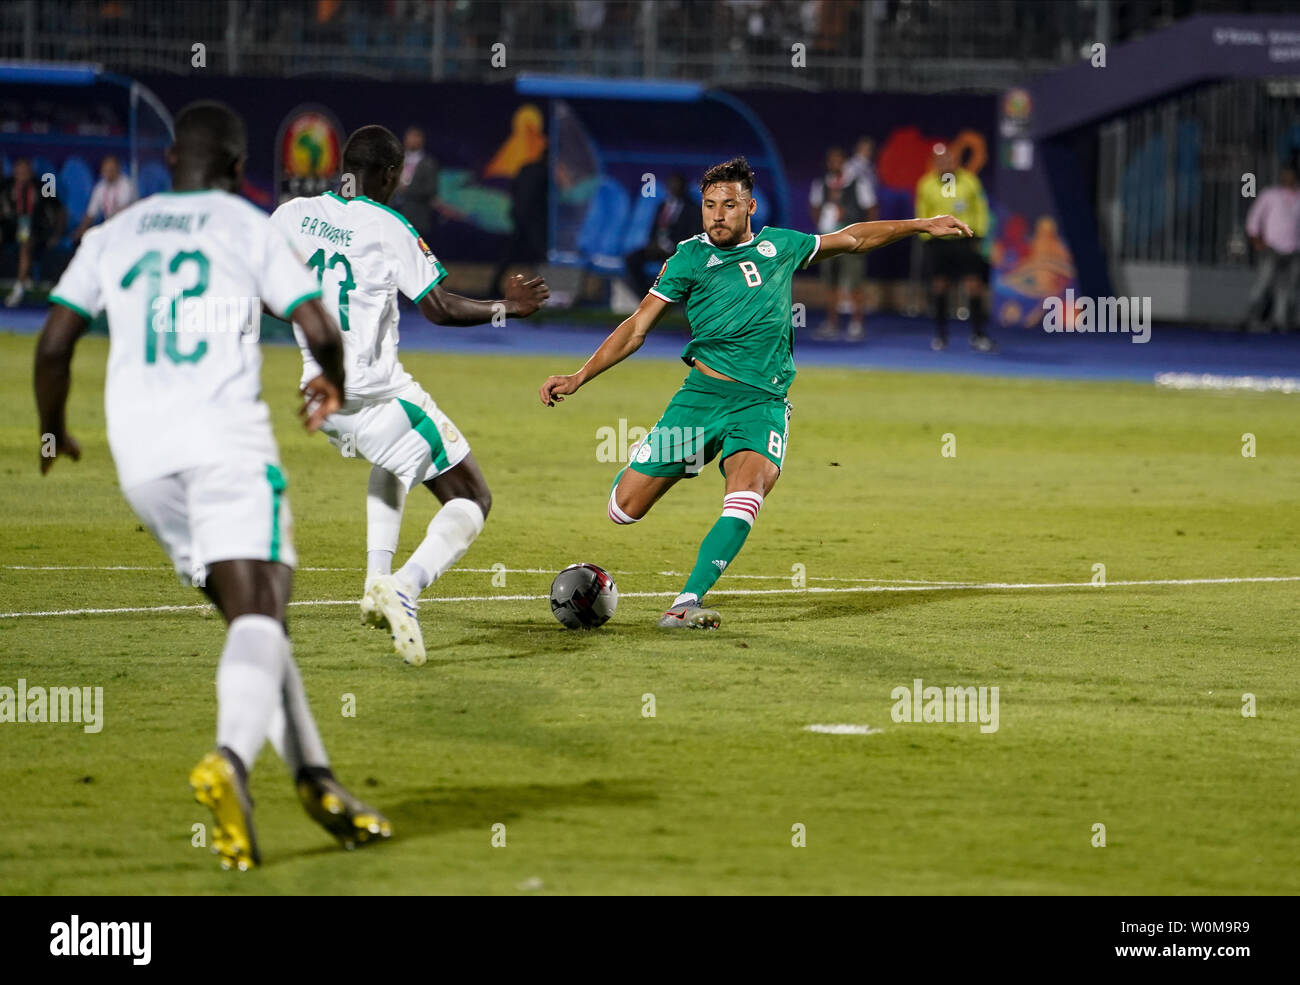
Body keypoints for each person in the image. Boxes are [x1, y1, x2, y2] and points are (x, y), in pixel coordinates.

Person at [34, 100, 390, 871]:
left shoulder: (112, 231)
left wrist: (53, 429)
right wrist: (327, 383)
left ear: (167, 161)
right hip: (223, 446)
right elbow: (321, 327)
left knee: (252, 616)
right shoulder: (245, 224)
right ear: (236, 170)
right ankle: (230, 759)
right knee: (263, 607)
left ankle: (316, 780)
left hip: (142, 461)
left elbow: (56, 338)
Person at [538, 156, 971, 629]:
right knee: (623, 509)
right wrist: (579, 377)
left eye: (728, 205)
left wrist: (921, 224)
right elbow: (637, 327)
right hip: (700, 398)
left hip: (761, 405)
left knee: (747, 492)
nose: (717, 214)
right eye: (709, 205)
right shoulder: (688, 257)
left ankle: (684, 603)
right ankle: (676, 458)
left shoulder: (781, 246)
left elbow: (854, 237)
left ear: (750, 208)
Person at [270, 124, 549, 666]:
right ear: (394, 174)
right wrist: (508, 308)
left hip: (321, 399)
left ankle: (376, 580)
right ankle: (405, 586)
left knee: (394, 459)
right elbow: (438, 307)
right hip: (377, 393)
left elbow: (267, 293)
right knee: (473, 497)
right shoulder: (390, 226)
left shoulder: (291, 216)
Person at [915, 142, 994, 352]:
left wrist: (979, 234)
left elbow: (981, 209)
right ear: (934, 163)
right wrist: (928, 238)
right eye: (940, 160)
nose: (945, 163)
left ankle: (978, 335)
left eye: (948, 159)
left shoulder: (970, 181)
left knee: (974, 286)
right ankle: (941, 336)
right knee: (940, 286)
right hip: (938, 243)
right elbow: (922, 213)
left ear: (955, 161)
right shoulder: (926, 184)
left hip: (965, 240)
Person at [809, 146, 877, 339]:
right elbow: (814, 207)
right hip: (828, 239)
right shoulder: (821, 184)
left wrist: (868, 234)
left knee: (855, 282)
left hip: (852, 240)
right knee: (831, 283)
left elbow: (871, 209)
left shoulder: (858, 183)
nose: (834, 164)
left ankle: (856, 323)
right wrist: (822, 225)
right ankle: (832, 323)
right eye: (831, 160)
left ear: (844, 162)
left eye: (838, 160)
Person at [1242, 163, 1300, 333]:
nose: (1286, 178)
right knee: (1263, 284)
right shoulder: (1270, 195)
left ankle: (1281, 322)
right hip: (1272, 247)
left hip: (1294, 249)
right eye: (1284, 174)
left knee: (1288, 287)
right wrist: (1256, 239)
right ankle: (1252, 320)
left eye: (1290, 175)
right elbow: (1254, 217)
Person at [2, 158, 67, 307]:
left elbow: (60, 210)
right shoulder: (6, 185)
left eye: (25, 172)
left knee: (26, 242)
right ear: (14, 172)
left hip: (36, 228)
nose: (22, 175)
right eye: (19, 172)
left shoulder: (44, 184)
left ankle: (18, 289)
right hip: (11, 227)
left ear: (31, 172)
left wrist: (57, 234)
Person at [624, 173, 698, 298]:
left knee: (676, 267)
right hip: (657, 248)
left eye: (677, 184)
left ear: (683, 187)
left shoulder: (693, 208)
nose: (673, 187)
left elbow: (692, 233)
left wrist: (670, 245)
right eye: (671, 184)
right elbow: (654, 229)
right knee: (632, 259)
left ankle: (670, 299)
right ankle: (646, 297)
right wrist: (654, 242)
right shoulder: (662, 206)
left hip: (677, 250)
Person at [73, 154, 136, 243]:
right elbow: (91, 214)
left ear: (118, 170)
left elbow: (122, 211)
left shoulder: (126, 185)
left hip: (127, 227)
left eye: (111, 170)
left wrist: (104, 229)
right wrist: (80, 231)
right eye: (105, 170)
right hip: (110, 229)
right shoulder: (100, 187)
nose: (108, 173)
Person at [390, 126, 439, 239]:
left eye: (416, 137)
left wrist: (407, 190)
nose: (413, 140)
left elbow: (431, 190)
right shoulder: (397, 159)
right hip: (395, 215)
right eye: (410, 137)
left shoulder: (429, 163)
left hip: (417, 219)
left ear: (422, 140)